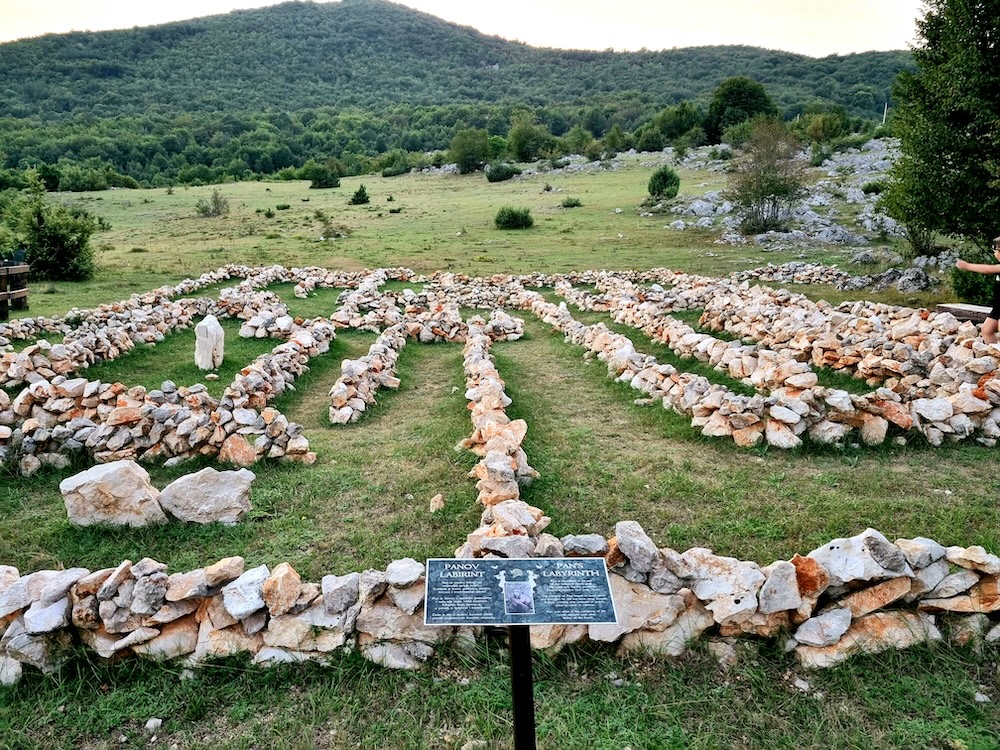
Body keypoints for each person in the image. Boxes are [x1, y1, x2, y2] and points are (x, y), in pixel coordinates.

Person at [956, 235, 1000, 344]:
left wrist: (966, 266)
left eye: (995, 251)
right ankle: (995, 353)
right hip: (998, 306)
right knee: (986, 330)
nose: (994, 254)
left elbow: (987, 269)